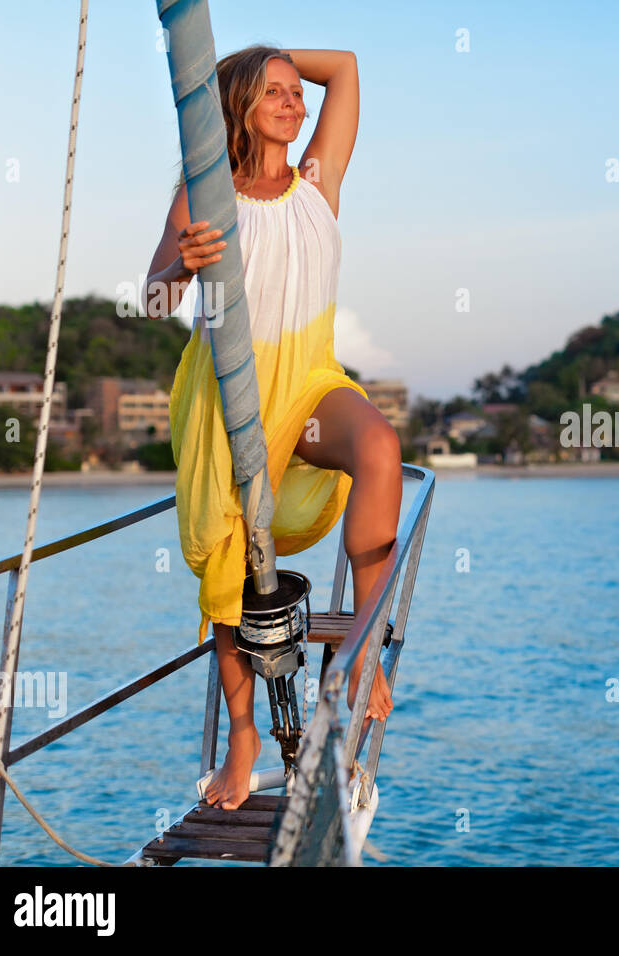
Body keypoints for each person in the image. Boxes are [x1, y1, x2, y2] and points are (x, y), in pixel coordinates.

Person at [145, 46, 400, 810]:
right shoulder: (206, 192)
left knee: (380, 446)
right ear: (240, 105)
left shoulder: (318, 182)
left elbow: (350, 67)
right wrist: (181, 271)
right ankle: (244, 738)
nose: (295, 104)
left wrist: (269, 54)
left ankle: (360, 649)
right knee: (234, 565)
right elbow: (155, 303)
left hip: (311, 382)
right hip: (229, 395)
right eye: (276, 94)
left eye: (297, 93)